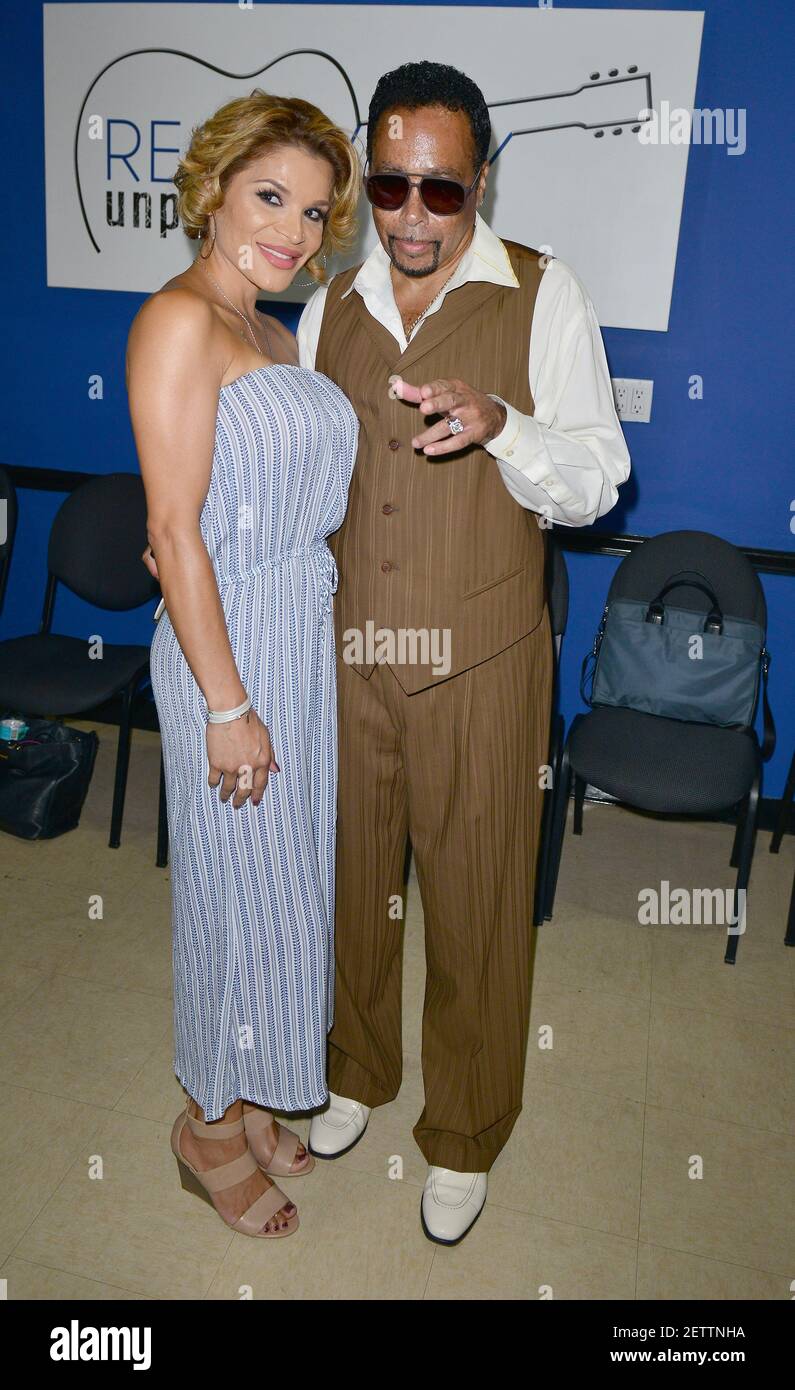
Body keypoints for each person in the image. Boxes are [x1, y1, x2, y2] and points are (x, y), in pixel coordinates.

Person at [297, 61, 631, 1244]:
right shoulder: (328, 301)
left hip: (486, 663)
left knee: (481, 900)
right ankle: (356, 1071)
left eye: (442, 189)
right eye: (392, 184)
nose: (413, 214)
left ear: (480, 179)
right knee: (354, 882)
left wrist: (504, 426)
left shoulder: (542, 293)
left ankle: (468, 1126)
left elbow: (600, 479)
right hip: (352, 653)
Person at [128, 89, 361, 1238]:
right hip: (230, 656)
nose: (295, 231)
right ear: (212, 191)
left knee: (284, 887)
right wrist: (228, 703)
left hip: (293, 635)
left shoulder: (272, 328)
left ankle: (257, 1083)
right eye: (272, 197)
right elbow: (175, 535)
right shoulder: (179, 321)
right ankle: (206, 1127)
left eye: (316, 212)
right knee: (234, 891)